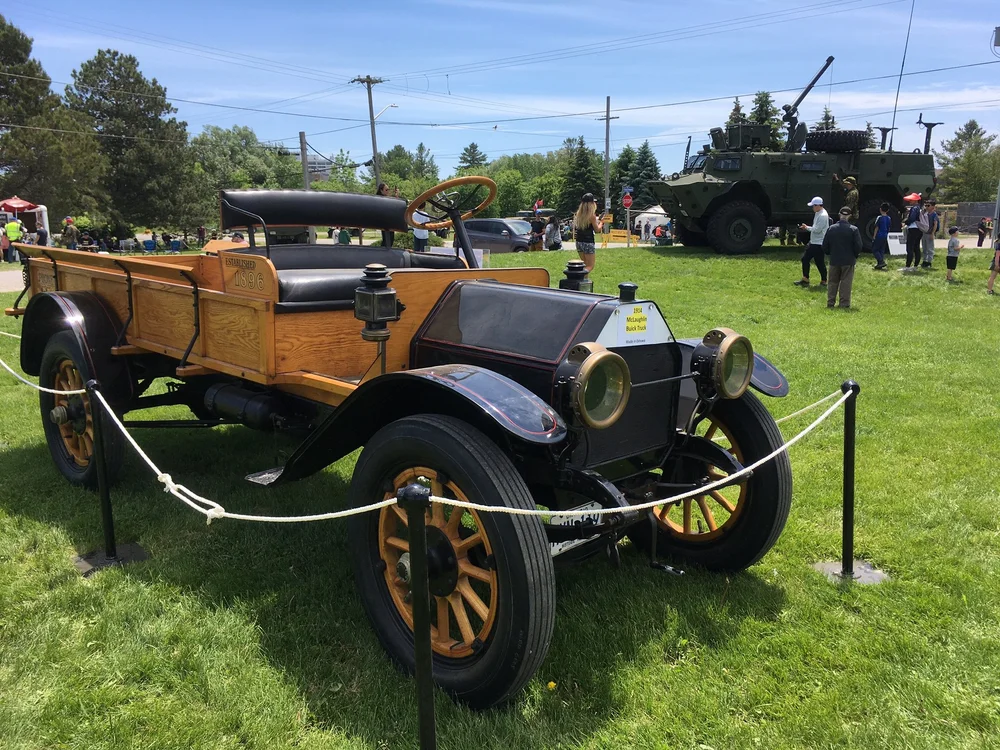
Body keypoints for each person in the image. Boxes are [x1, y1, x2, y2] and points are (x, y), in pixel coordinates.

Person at [822, 206, 862, 309]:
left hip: (834, 259)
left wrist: (830, 253)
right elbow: (858, 246)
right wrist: (855, 255)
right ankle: (844, 304)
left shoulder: (831, 229)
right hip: (848, 260)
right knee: (846, 282)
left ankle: (830, 303)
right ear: (849, 216)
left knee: (832, 282)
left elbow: (825, 245)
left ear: (839, 215)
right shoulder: (854, 230)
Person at [794, 196, 830, 287]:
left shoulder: (823, 215)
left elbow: (817, 230)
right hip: (814, 241)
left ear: (818, 206)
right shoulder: (818, 213)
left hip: (818, 243)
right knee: (813, 261)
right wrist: (808, 227)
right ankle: (813, 279)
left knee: (815, 261)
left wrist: (807, 228)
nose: (812, 208)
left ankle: (821, 280)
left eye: (813, 206)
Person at [573, 193, 602, 272]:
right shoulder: (591, 216)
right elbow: (597, 230)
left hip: (579, 241)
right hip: (588, 242)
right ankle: (578, 276)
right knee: (590, 266)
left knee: (584, 264)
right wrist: (602, 222)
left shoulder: (578, 214)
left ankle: (584, 282)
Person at [901, 193, 922, 271]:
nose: (910, 201)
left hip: (913, 228)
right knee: (916, 247)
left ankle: (908, 266)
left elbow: (912, 218)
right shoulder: (920, 208)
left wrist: (905, 222)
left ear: (915, 200)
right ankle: (916, 265)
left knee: (909, 247)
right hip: (919, 229)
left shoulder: (914, 208)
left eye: (911, 200)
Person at [871, 202, 891, 271]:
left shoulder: (879, 217)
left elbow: (876, 227)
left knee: (875, 249)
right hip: (885, 235)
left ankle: (881, 261)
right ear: (888, 210)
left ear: (880, 209)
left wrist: (874, 236)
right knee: (882, 250)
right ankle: (880, 264)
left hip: (879, 235)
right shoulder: (889, 218)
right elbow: (888, 227)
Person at [920, 199, 939, 269]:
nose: (927, 207)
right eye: (926, 205)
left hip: (929, 233)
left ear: (933, 207)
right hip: (924, 233)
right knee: (924, 248)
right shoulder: (925, 213)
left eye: (928, 205)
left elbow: (935, 224)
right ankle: (924, 261)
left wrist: (932, 233)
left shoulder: (934, 215)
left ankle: (929, 262)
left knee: (930, 248)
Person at [376, 182, 395, 247]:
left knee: (390, 240)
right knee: (387, 241)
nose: (388, 191)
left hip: (389, 222)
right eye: (386, 190)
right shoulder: (381, 199)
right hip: (385, 223)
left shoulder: (386, 198)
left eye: (388, 189)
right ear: (381, 191)